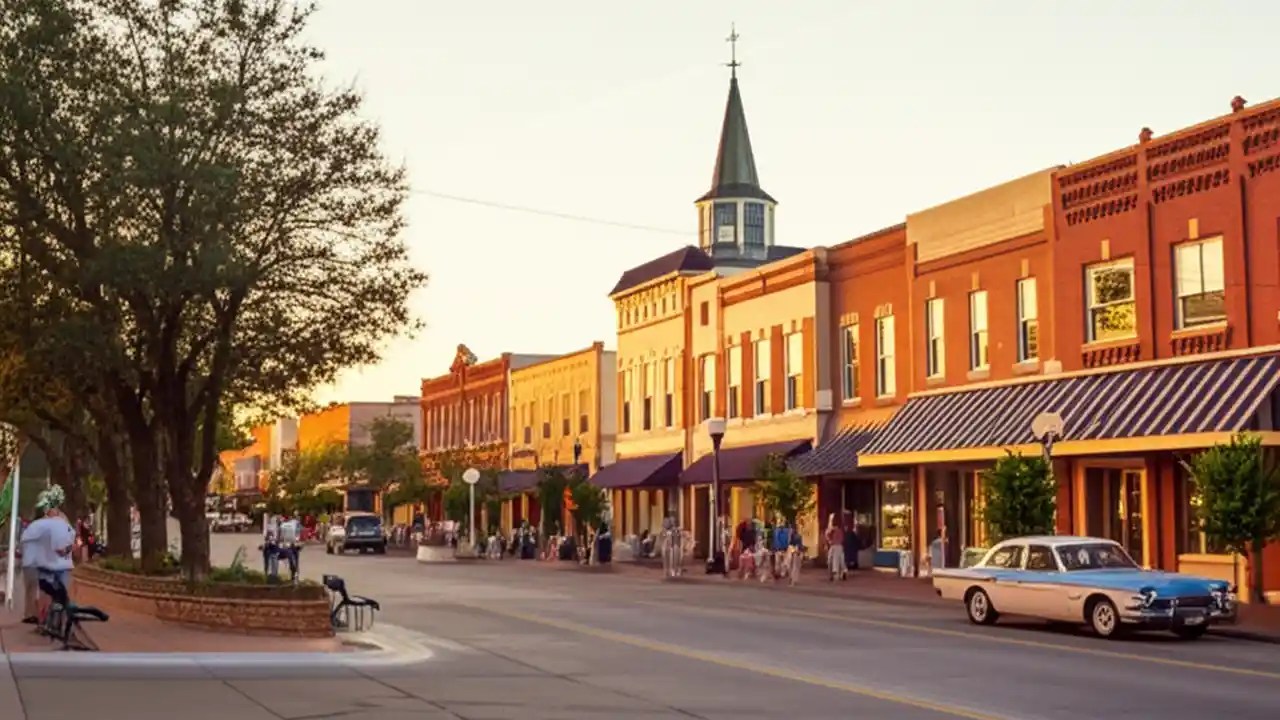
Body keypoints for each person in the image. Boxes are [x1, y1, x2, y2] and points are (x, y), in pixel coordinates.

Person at [824, 513, 846, 581]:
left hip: (837, 545)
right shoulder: (831, 529)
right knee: (832, 560)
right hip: (833, 546)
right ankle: (842, 571)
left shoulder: (838, 529)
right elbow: (827, 535)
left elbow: (840, 538)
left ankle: (836, 573)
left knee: (836, 559)